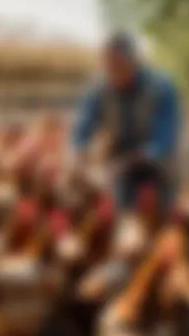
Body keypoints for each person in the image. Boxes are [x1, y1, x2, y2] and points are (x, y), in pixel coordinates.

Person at [72, 32, 180, 210]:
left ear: (132, 62)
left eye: (116, 64)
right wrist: (78, 156)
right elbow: (82, 129)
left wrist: (124, 164)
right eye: (107, 65)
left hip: (156, 170)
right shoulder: (100, 88)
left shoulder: (161, 88)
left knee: (159, 213)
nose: (110, 71)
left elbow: (162, 144)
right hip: (117, 169)